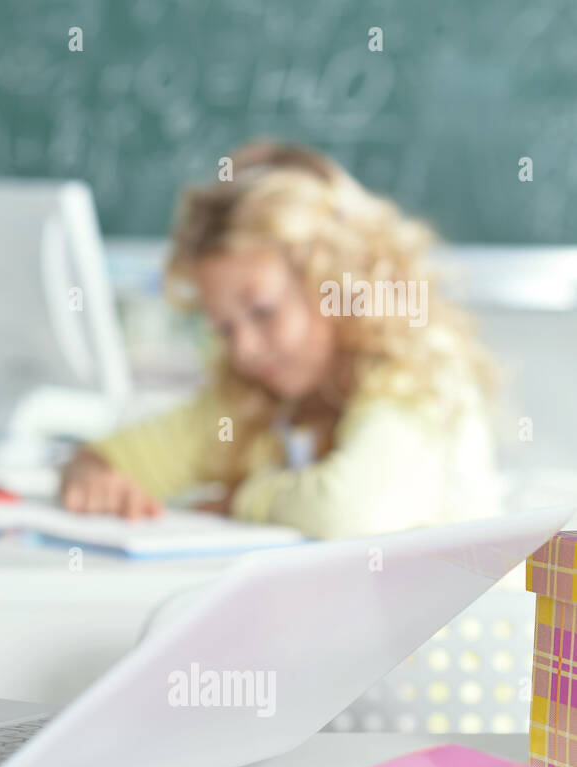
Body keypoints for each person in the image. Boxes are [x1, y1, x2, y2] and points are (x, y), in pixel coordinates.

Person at [61, 139, 502, 539]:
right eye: (224, 327)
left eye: (264, 312)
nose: (244, 349)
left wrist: (242, 499)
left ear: (337, 285)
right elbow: (111, 455)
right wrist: (91, 476)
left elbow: (345, 513)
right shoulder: (254, 398)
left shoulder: (415, 379)